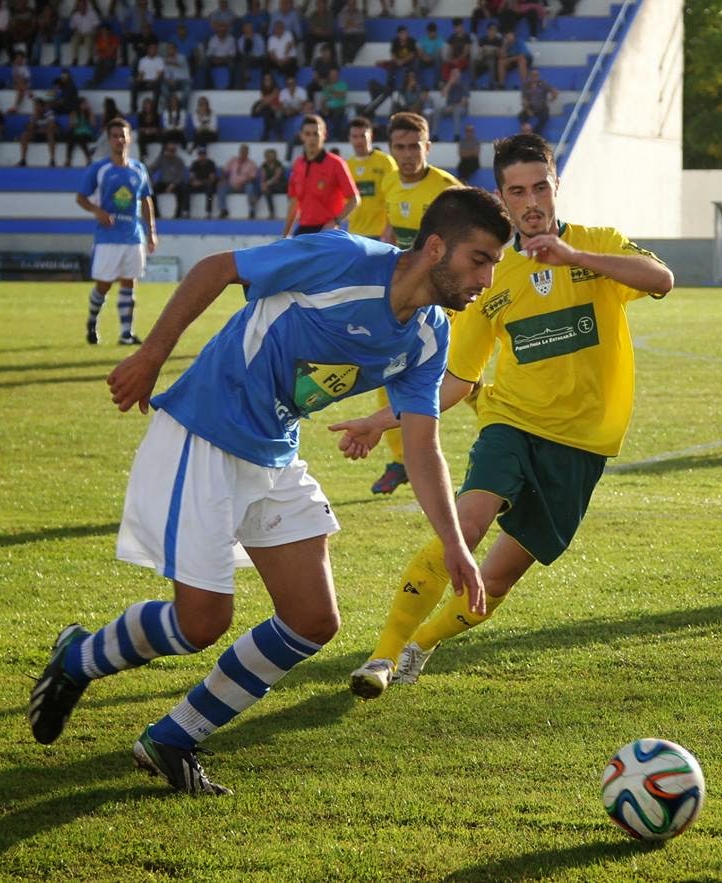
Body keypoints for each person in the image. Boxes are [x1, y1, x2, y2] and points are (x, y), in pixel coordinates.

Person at [27, 185, 513, 796]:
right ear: (436, 246)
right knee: (202, 623)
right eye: (480, 259)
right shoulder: (345, 258)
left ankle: (174, 737)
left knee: (312, 619)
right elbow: (217, 269)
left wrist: (454, 545)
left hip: (274, 452)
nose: (487, 278)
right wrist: (152, 355)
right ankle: (79, 658)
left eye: (494, 263)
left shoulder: (428, 336)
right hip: (203, 430)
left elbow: (422, 445)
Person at [338, 132, 674, 699]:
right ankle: (383, 656)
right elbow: (458, 381)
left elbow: (662, 281)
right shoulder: (492, 275)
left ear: (556, 184)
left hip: (583, 445)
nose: (532, 201)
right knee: (465, 526)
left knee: (497, 578)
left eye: (541, 186)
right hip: (511, 423)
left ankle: (424, 642)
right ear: (503, 197)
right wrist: (383, 420)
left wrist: (575, 257)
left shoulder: (598, 245)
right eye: (517, 191)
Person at [372, 112, 463, 495]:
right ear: (392, 151)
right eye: (401, 147)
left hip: (446, 299)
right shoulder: (390, 182)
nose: (408, 154)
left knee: (458, 374)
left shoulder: (448, 191)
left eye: (415, 146)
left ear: (428, 147)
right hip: (409, 295)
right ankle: (399, 461)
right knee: (389, 371)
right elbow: (391, 229)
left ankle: (496, 416)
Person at [77, 117, 158, 347]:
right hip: (107, 236)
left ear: (129, 138)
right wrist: (97, 211)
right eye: (114, 136)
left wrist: (151, 231)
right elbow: (81, 197)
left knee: (129, 283)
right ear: (108, 140)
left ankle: (126, 333)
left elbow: (145, 200)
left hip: (133, 235)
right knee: (103, 285)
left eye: (123, 135)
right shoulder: (99, 169)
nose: (119, 140)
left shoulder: (139, 169)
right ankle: (92, 322)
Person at [283, 114, 360, 237]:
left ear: (324, 135)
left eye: (316, 134)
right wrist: (286, 234)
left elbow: (354, 199)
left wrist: (336, 221)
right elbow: (294, 202)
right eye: (308, 134)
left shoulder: (336, 163)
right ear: (301, 136)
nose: (312, 138)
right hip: (303, 231)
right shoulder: (298, 164)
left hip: (328, 232)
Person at [345, 115, 397, 240]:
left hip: (380, 232)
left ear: (371, 136)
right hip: (354, 233)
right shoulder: (347, 165)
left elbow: (395, 195)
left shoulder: (386, 162)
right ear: (349, 139)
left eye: (363, 136)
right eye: (355, 137)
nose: (359, 141)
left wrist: (389, 228)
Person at [216, 143, 258, 219]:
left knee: (250, 187)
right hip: (231, 184)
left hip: (244, 185)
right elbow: (225, 172)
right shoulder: (233, 160)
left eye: (245, 152)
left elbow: (252, 177)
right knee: (221, 186)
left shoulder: (251, 163)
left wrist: (242, 183)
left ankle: (252, 211)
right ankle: (223, 210)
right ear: (239, 152)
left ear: (248, 153)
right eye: (242, 151)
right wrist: (222, 179)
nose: (243, 153)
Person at [149, 142, 188, 218]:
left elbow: (181, 175)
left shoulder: (180, 161)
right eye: (169, 150)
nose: (171, 152)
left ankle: (178, 214)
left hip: (176, 184)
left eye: (173, 150)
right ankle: (156, 213)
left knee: (183, 190)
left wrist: (173, 184)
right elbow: (151, 169)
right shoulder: (161, 159)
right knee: (151, 191)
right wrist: (152, 180)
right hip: (164, 183)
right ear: (165, 150)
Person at [17, 96, 57, 166]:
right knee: (24, 135)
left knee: (50, 134)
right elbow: (29, 128)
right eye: (35, 106)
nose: (35, 107)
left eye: (37, 106)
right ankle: (23, 159)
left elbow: (51, 126)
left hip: (46, 134)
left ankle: (52, 159)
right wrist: (35, 118)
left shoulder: (49, 113)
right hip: (37, 133)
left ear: (42, 106)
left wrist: (41, 129)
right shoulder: (34, 114)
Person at [518, 68, 557, 136]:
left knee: (545, 117)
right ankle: (525, 131)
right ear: (530, 76)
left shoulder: (543, 84)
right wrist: (528, 110)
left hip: (542, 107)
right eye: (533, 75)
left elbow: (554, 92)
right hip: (531, 106)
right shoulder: (526, 85)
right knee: (521, 116)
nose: (535, 77)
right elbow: (524, 99)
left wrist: (551, 99)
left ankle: (535, 133)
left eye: (536, 75)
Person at [253, 147, 286, 219]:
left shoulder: (278, 164)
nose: (270, 157)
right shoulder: (264, 165)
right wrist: (263, 184)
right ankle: (272, 212)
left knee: (266, 188)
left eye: (272, 155)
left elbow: (276, 177)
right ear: (266, 156)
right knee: (267, 190)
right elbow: (262, 177)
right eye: (269, 156)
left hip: (280, 185)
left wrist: (266, 184)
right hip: (269, 186)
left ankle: (256, 197)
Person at [65, 96, 98, 166]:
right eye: (84, 103)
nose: (86, 105)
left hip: (87, 133)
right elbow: (71, 126)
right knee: (72, 139)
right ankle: (69, 159)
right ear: (79, 105)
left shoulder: (89, 113)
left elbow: (93, 124)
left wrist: (90, 112)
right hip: (76, 133)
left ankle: (88, 158)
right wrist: (74, 121)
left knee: (80, 138)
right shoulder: (73, 113)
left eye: (86, 103)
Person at [188, 145, 218, 218]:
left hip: (206, 184)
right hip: (196, 184)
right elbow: (191, 176)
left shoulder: (211, 163)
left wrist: (200, 182)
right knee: (186, 187)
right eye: (200, 154)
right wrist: (193, 182)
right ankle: (186, 210)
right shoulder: (194, 164)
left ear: (206, 155)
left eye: (203, 154)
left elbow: (212, 178)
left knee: (210, 188)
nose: (202, 156)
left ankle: (208, 211)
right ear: (198, 155)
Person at [136, 96, 163, 162]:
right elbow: (140, 128)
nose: (147, 107)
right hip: (145, 135)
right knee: (141, 138)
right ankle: (143, 155)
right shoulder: (141, 115)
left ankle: (163, 154)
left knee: (163, 137)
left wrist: (153, 130)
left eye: (148, 105)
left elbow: (158, 127)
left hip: (154, 135)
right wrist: (146, 130)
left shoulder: (156, 115)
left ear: (151, 106)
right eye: (145, 105)